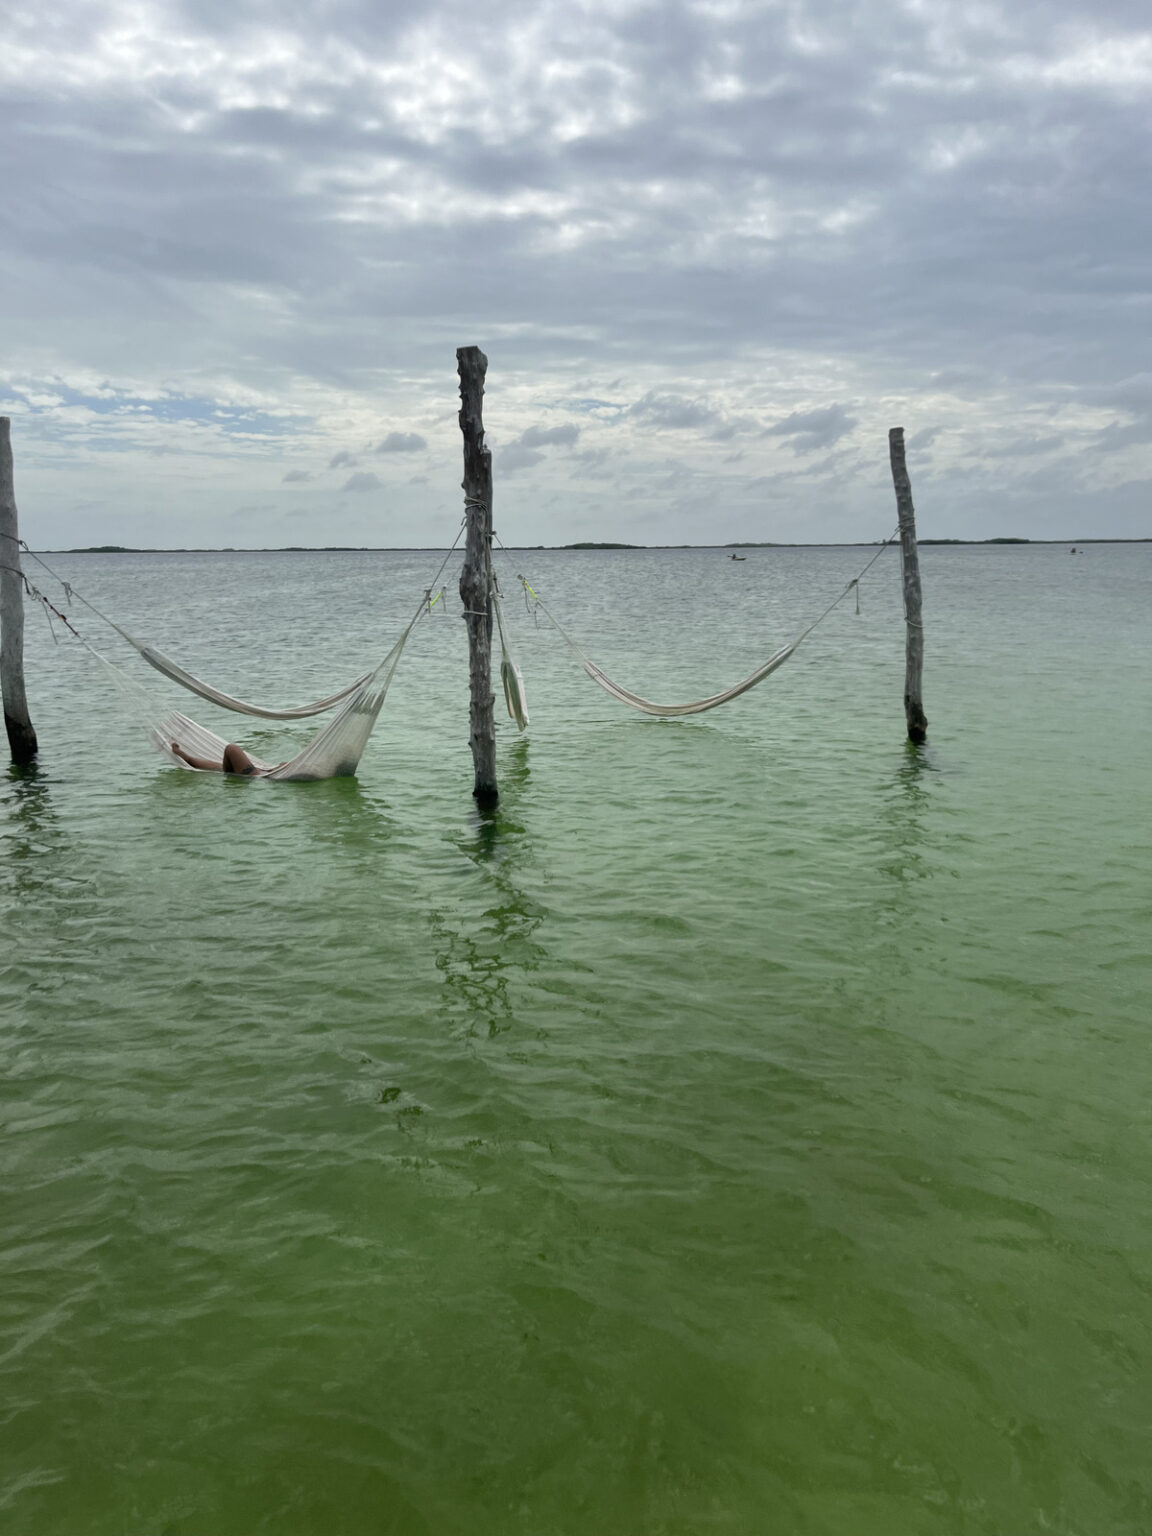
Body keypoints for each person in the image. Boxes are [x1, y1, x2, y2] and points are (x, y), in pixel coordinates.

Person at [170, 740, 278, 776]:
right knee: (218, 767)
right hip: (258, 773)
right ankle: (186, 757)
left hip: (255, 775)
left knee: (232, 748)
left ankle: (185, 757)